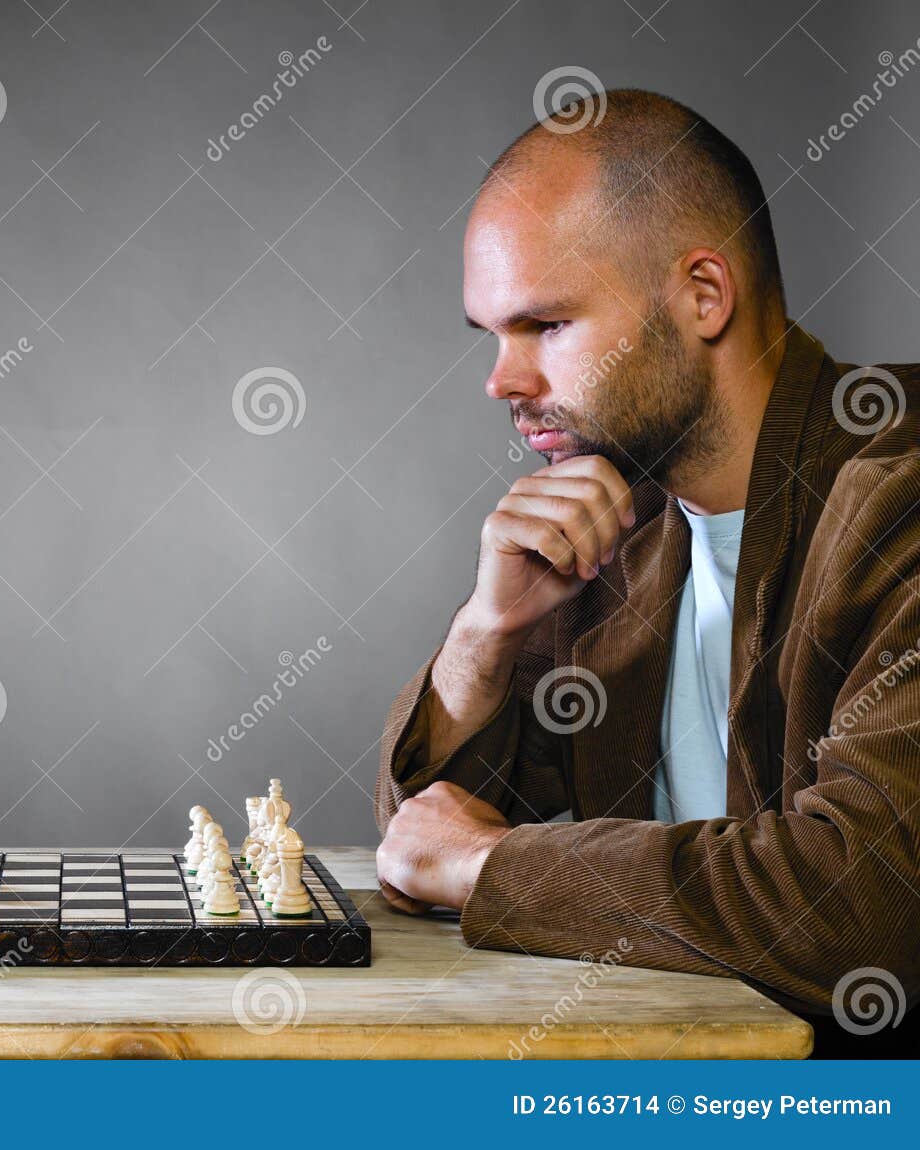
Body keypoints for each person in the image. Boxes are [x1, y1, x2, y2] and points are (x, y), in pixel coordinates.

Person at [373, 89, 919, 1051]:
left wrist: (490, 867)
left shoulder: (900, 496)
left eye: (546, 325)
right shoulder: (621, 527)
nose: (501, 381)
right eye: (492, 335)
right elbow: (423, 835)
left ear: (704, 295)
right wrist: (484, 637)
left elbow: (869, 905)